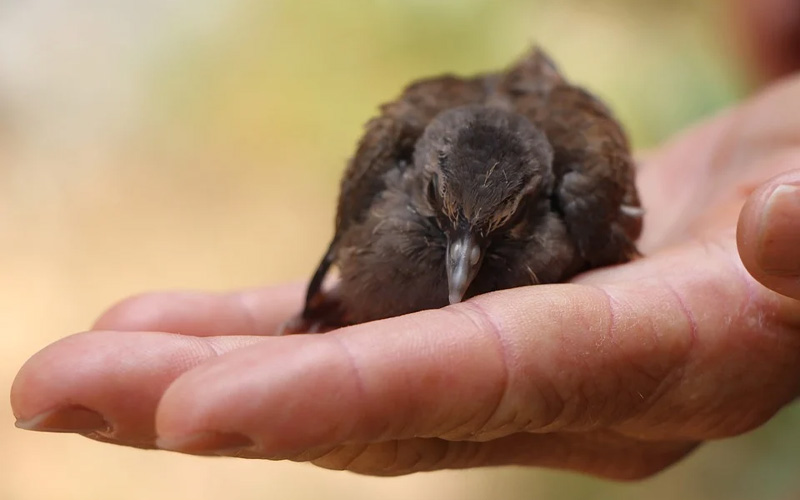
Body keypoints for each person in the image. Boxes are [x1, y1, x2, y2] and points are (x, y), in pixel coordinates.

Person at [11, 9, 800, 480]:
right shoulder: (397, 143)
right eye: (444, 217)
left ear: (543, 199)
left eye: (501, 230)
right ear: (413, 177)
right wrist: (326, 290)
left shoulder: (582, 178)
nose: (466, 260)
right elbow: (356, 231)